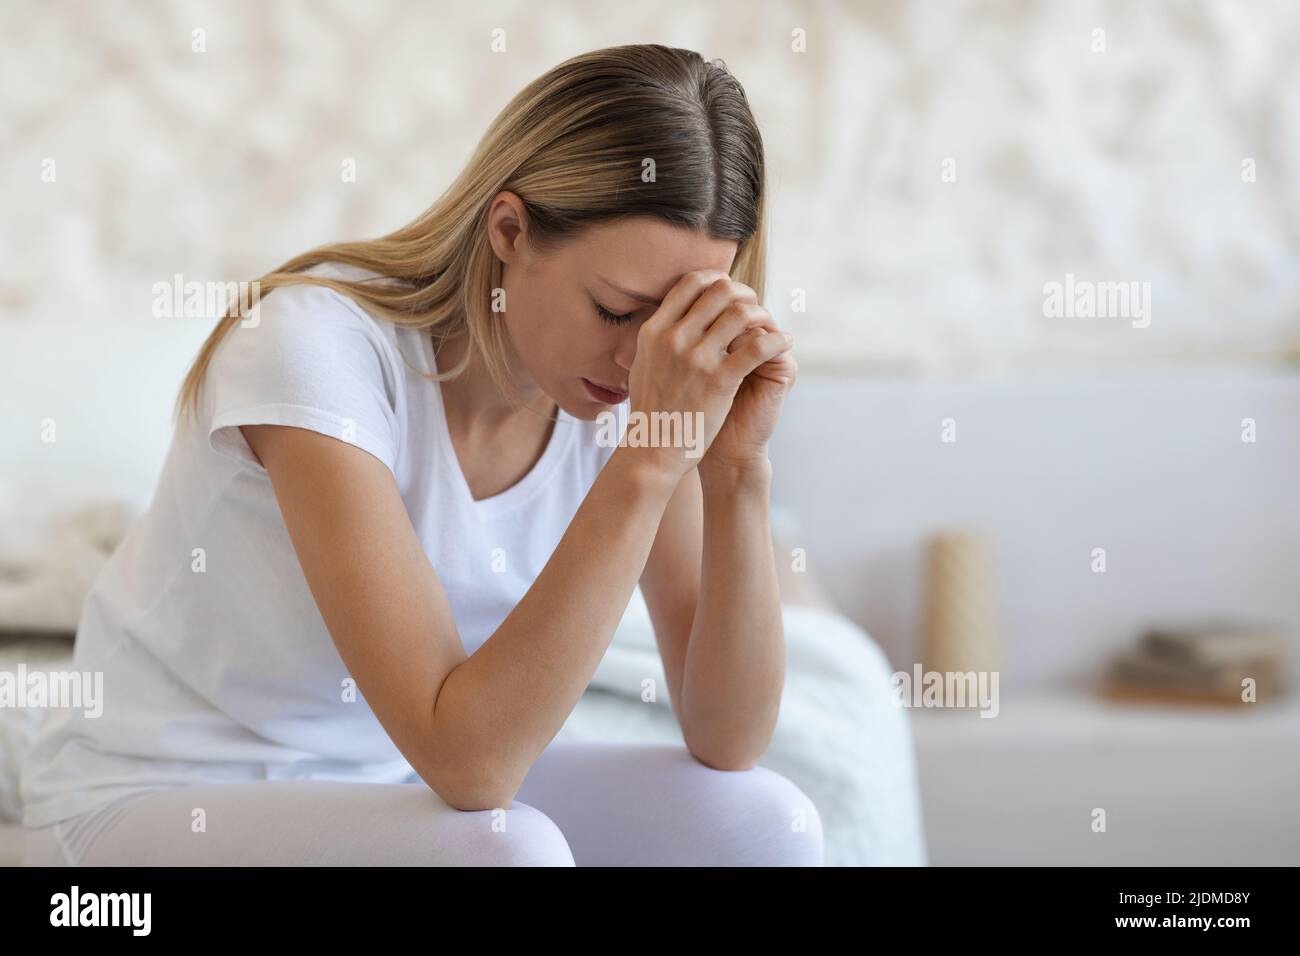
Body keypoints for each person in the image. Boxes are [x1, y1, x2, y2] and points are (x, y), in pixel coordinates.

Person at [21, 43, 823, 866]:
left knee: (764, 819)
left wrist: (736, 474)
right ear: (510, 230)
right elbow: (471, 763)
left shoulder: (633, 398)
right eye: (618, 310)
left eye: (676, 323)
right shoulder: (314, 347)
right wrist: (649, 464)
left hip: (397, 788)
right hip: (159, 794)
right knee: (509, 852)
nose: (640, 360)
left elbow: (728, 737)